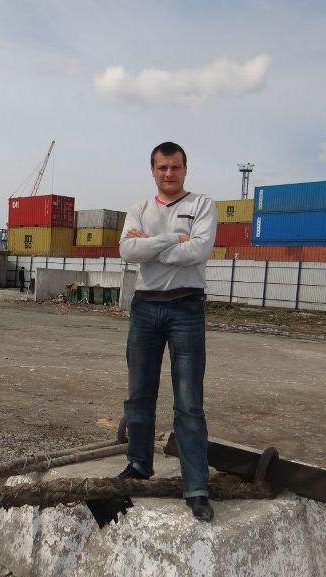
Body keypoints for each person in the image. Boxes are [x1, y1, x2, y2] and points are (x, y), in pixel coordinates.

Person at [119, 141, 217, 521]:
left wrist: (148, 247)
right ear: (153, 170)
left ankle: (196, 486)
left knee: (189, 402)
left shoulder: (202, 205)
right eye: (162, 167)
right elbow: (128, 252)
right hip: (145, 308)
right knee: (139, 394)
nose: (169, 173)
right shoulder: (139, 209)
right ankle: (138, 465)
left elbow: (199, 251)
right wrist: (172, 240)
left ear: (185, 169)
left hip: (186, 309)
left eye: (175, 167)